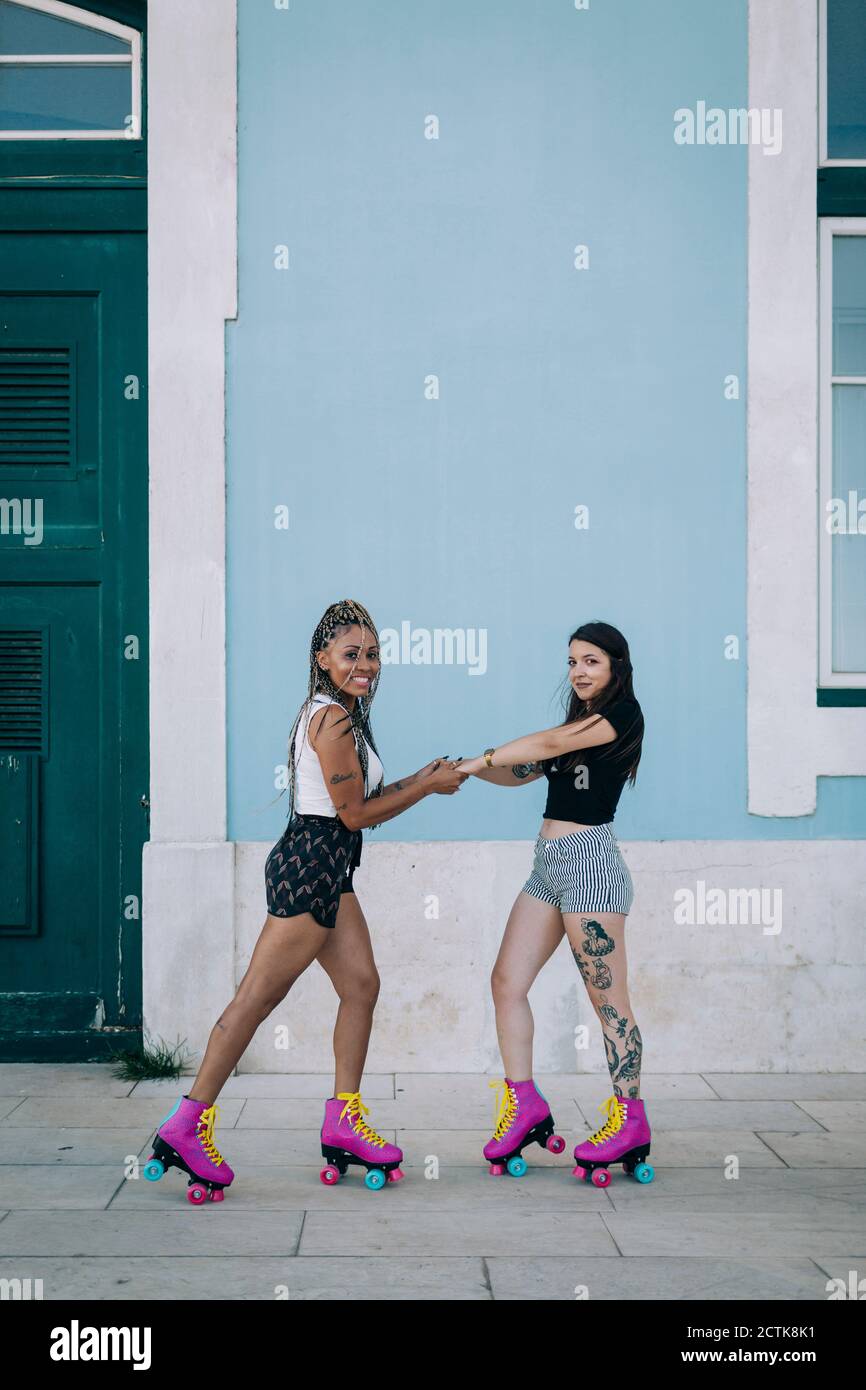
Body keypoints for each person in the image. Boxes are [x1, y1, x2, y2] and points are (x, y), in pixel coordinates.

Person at [144, 598, 466, 1202]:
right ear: (322, 657)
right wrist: (426, 787)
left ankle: (343, 1120)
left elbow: (356, 804)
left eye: (373, 654)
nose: (366, 664)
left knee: (361, 985)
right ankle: (186, 1125)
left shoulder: (343, 715)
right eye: (352, 654)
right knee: (253, 1002)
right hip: (313, 866)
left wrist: (423, 775)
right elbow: (354, 813)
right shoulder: (333, 721)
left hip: (328, 864)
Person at [456, 621, 651, 1188]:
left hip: (590, 864)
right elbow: (524, 770)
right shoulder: (576, 726)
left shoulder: (621, 716)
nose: (579, 671)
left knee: (609, 1003)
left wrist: (483, 755)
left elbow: (543, 746)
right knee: (506, 981)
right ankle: (526, 1106)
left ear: (616, 665)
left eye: (591, 661)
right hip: (548, 866)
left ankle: (630, 1119)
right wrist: (468, 770)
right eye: (572, 662)